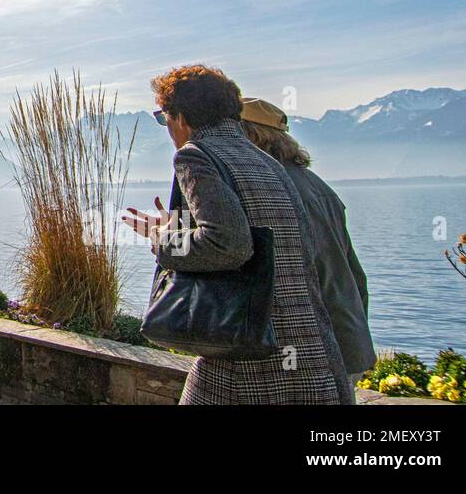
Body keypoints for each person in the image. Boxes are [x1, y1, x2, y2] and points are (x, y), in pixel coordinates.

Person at [122, 65, 352, 404]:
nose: (167, 127)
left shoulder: (195, 155)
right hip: (309, 349)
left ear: (182, 117)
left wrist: (160, 239)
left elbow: (227, 244)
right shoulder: (269, 163)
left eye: (163, 116)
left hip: (244, 351)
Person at [240, 97, 376, 383]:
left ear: (249, 136)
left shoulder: (269, 189)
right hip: (346, 337)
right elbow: (352, 272)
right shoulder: (317, 185)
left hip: (310, 345)